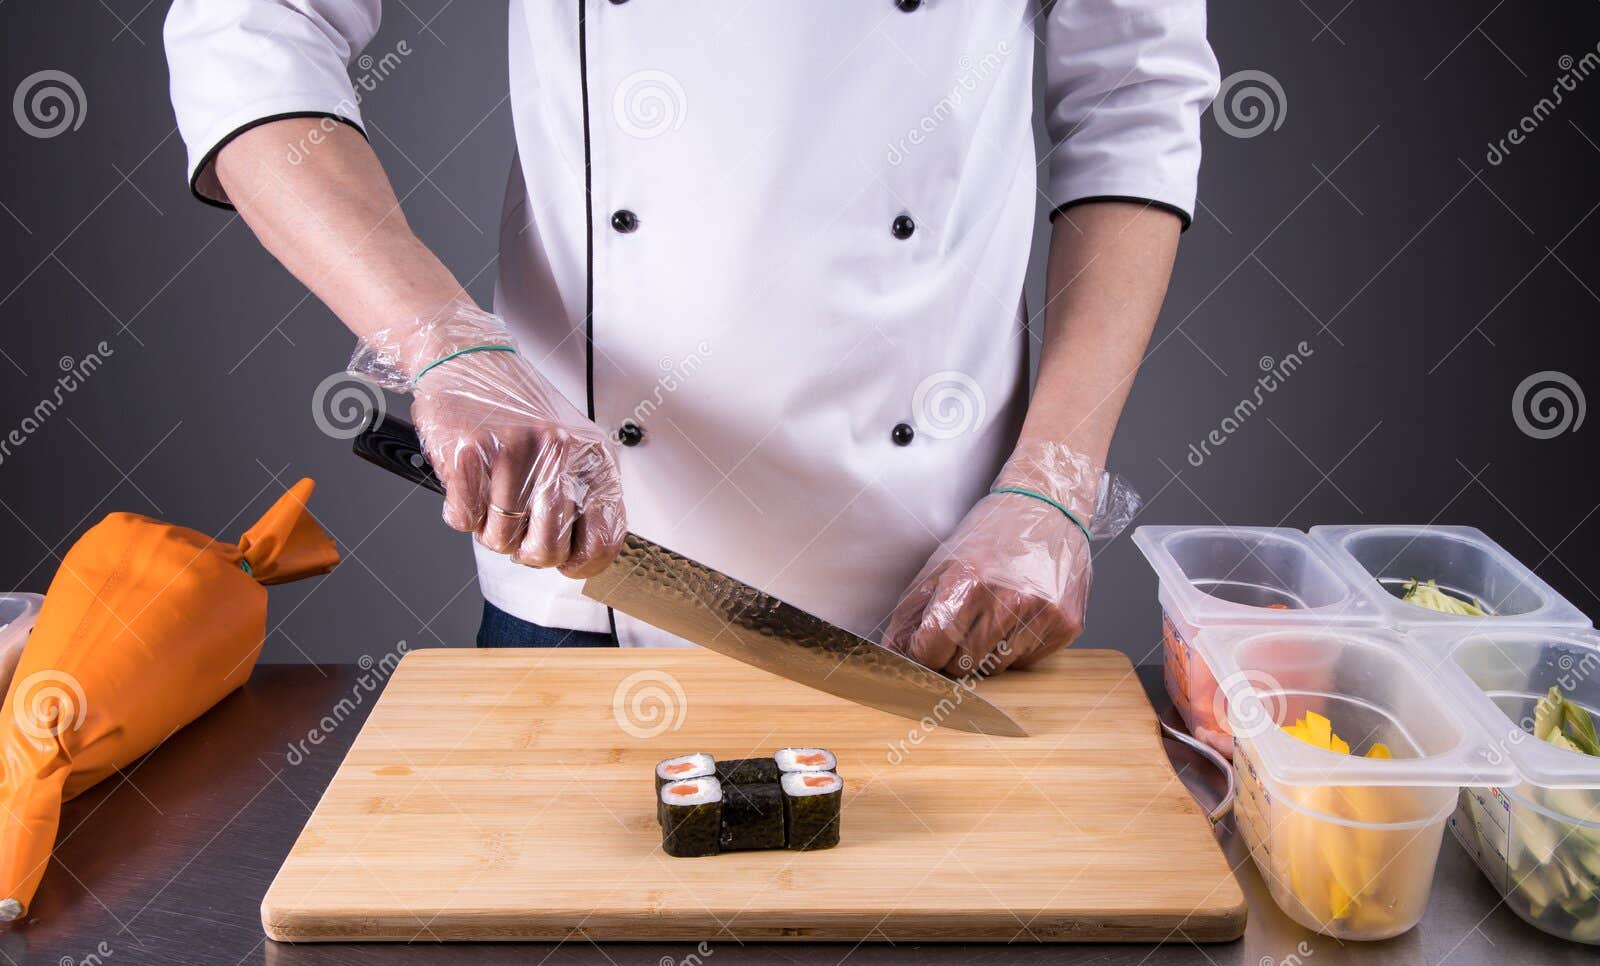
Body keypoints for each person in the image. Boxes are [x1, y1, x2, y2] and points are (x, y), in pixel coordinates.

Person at [164, 1, 1218, 675]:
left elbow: (1135, 100)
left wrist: (1055, 481)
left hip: (946, 588)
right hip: (587, 567)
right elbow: (246, 28)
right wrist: (443, 343)